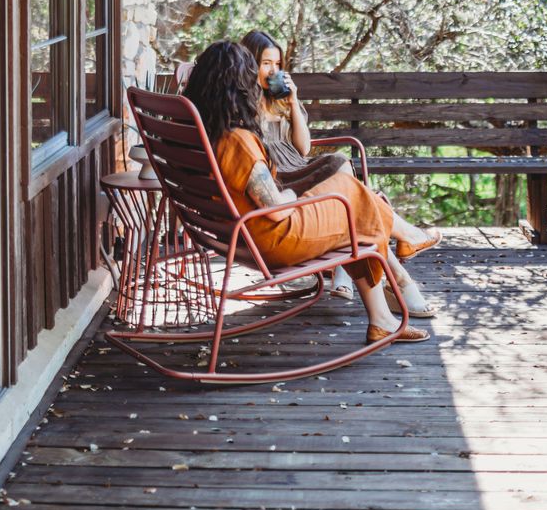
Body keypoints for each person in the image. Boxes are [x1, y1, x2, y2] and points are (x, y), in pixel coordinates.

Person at [183, 41, 429, 344]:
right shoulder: (237, 140)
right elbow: (276, 208)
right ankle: (392, 287)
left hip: (239, 234)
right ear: (239, 85)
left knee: (352, 198)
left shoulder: (202, 133)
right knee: (353, 196)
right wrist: (290, 197)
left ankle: (384, 314)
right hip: (274, 238)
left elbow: (298, 151)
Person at [241, 29, 439, 313]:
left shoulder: (281, 102)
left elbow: (304, 148)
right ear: (250, 64)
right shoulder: (243, 104)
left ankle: (370, 273)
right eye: (266, 64)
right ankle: (404, 253)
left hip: (298, 165)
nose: (273, 71)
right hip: (280, 176)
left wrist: (294, 102)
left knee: (341, 162)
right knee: (352, 189)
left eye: (278, 64)